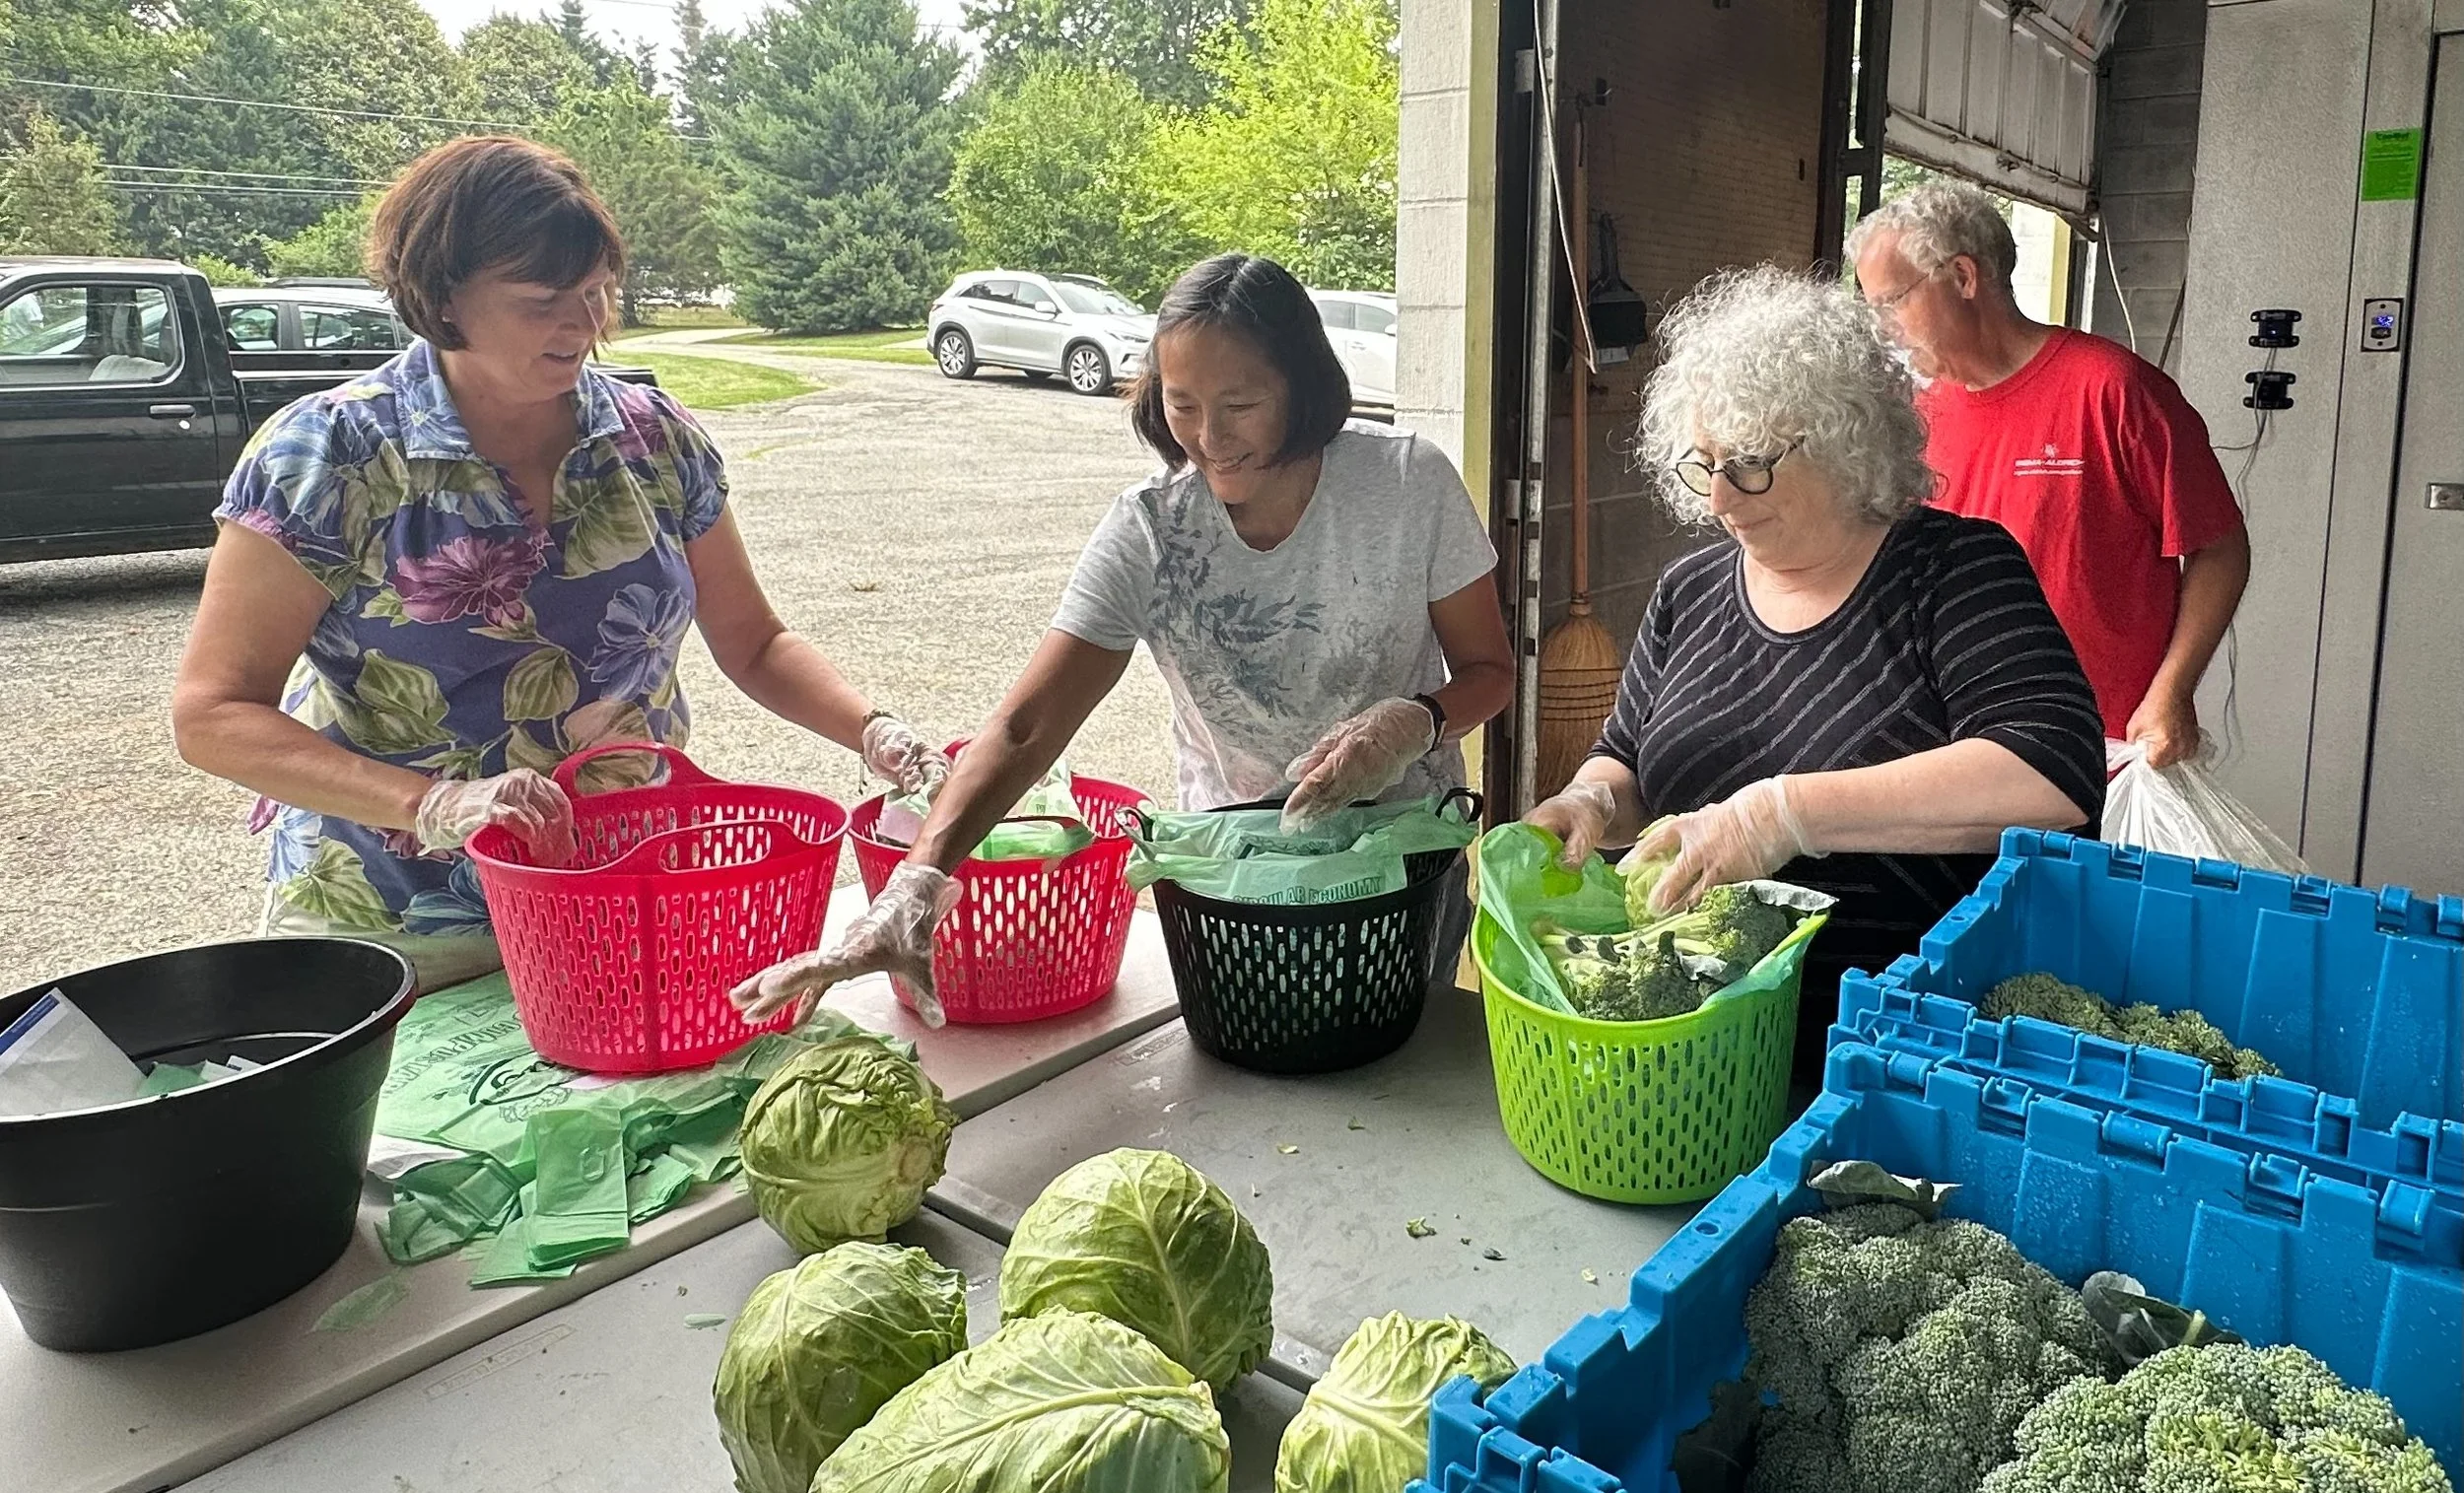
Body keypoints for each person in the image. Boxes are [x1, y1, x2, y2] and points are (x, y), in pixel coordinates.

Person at [171, 137, 941, 990]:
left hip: (621, 893)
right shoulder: (330, 455)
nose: (583, 325)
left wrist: (877, 733)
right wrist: (431, 804)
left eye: (595, 292)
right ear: (443, 299)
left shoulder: (653, 437)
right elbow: (212, 714)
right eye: (544, 301)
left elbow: (754, 642)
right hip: (402, 921)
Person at [732, 252, 1515, 1026]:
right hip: (1230, 878)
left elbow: (1489, 669)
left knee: (1400, 1065)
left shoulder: (1408, 485)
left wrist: (1413, 721)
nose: (1210, 437)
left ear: (1301, 387)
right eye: (1182, 405)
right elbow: (1025, 726)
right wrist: (918, 881)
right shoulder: (1150, 529)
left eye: (1240, 404)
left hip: (1400, 867)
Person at [1525, 265, 2107, 1071]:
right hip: (1688, 1054)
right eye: (1704, 465)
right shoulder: (1687, 591)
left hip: (1900, 1056)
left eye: (1752, 463)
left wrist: (1780, 816)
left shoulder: (1954, 570)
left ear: (1845, 440)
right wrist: (1589, 800)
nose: (1722, 499)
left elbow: (2053, 771)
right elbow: (1627, 759)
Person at [1849, 182, 2249, 766]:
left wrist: (2172, 691)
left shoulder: (2113, 391)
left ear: (1963, 277)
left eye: (1894, 301)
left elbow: (2220, 548)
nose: (1885, 327)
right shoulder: (1916, 419)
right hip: (1953, 745)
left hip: (2095, 749)